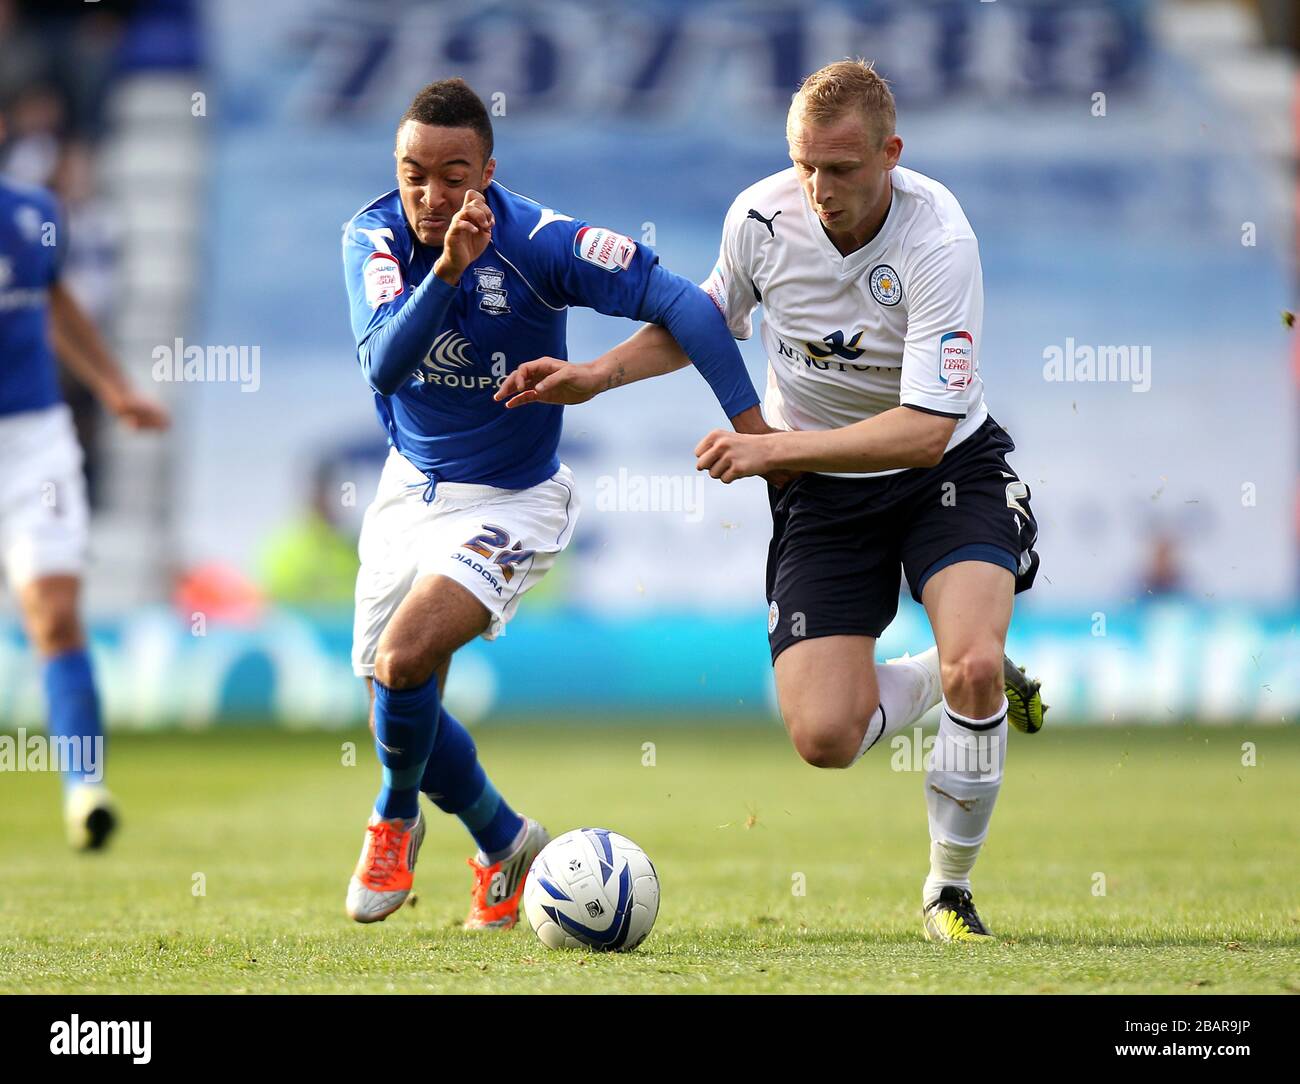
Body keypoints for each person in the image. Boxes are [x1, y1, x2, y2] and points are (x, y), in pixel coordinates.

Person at [496, 60, 1046, 942]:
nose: (820, 188)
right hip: (823, 497)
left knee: (972, 662)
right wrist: (596, 376)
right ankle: (946, 687)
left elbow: (921, 434)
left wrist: (772, 448)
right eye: (806, 166)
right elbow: (708, 314)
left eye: (842, 168)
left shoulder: (940, 240)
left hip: (947, 472)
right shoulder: (761, 216)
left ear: (891, 154)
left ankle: (949, 889)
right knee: (825, 737)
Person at [340, 78, 768, 929]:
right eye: (412, 173)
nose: (431, 196)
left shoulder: (539, 241)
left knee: (403, 659)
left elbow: (682, 301)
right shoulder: (371, 235)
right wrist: (449, 270)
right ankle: (505, 842)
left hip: (514, 499)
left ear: (488, 173)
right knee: (401, 704)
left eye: (453, 176)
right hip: (408, 488)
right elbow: (383, 365)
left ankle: (393, 819)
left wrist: (754, 429)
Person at [0, 169, 169, 850]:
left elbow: (55, 300)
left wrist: (114, 388)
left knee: (56, 612)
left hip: (35, 440)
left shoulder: (34, 211)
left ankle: (84, 788)